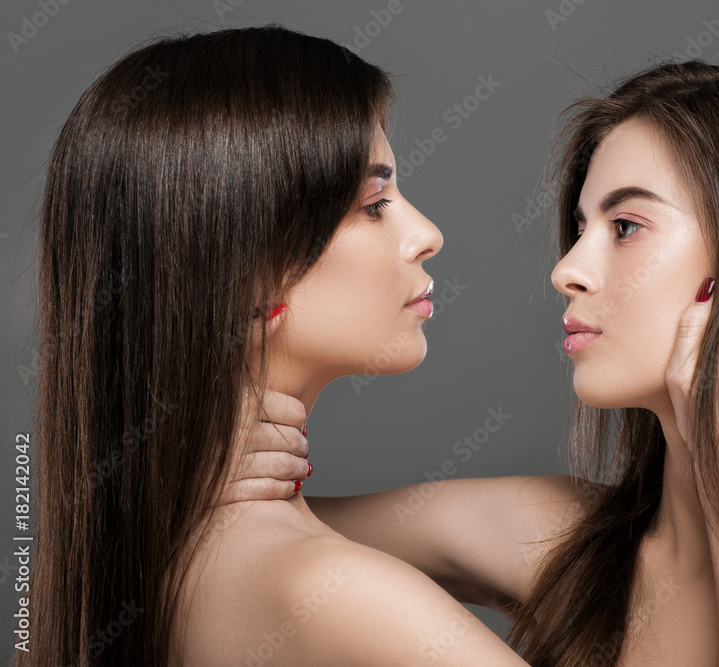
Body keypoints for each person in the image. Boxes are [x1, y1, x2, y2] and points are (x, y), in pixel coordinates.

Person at [234, 61, 719, 665]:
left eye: (626, 225)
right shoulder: (559, 539)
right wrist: (224, 451)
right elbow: (262, 542)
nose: (568, 268)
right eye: (580, 226)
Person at [25, 24, 531, 666]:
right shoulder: (340, 595)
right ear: (246, 276)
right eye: (375, 204)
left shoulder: (130, 568)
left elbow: (544, 529)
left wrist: (178, 463)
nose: (427, 233)